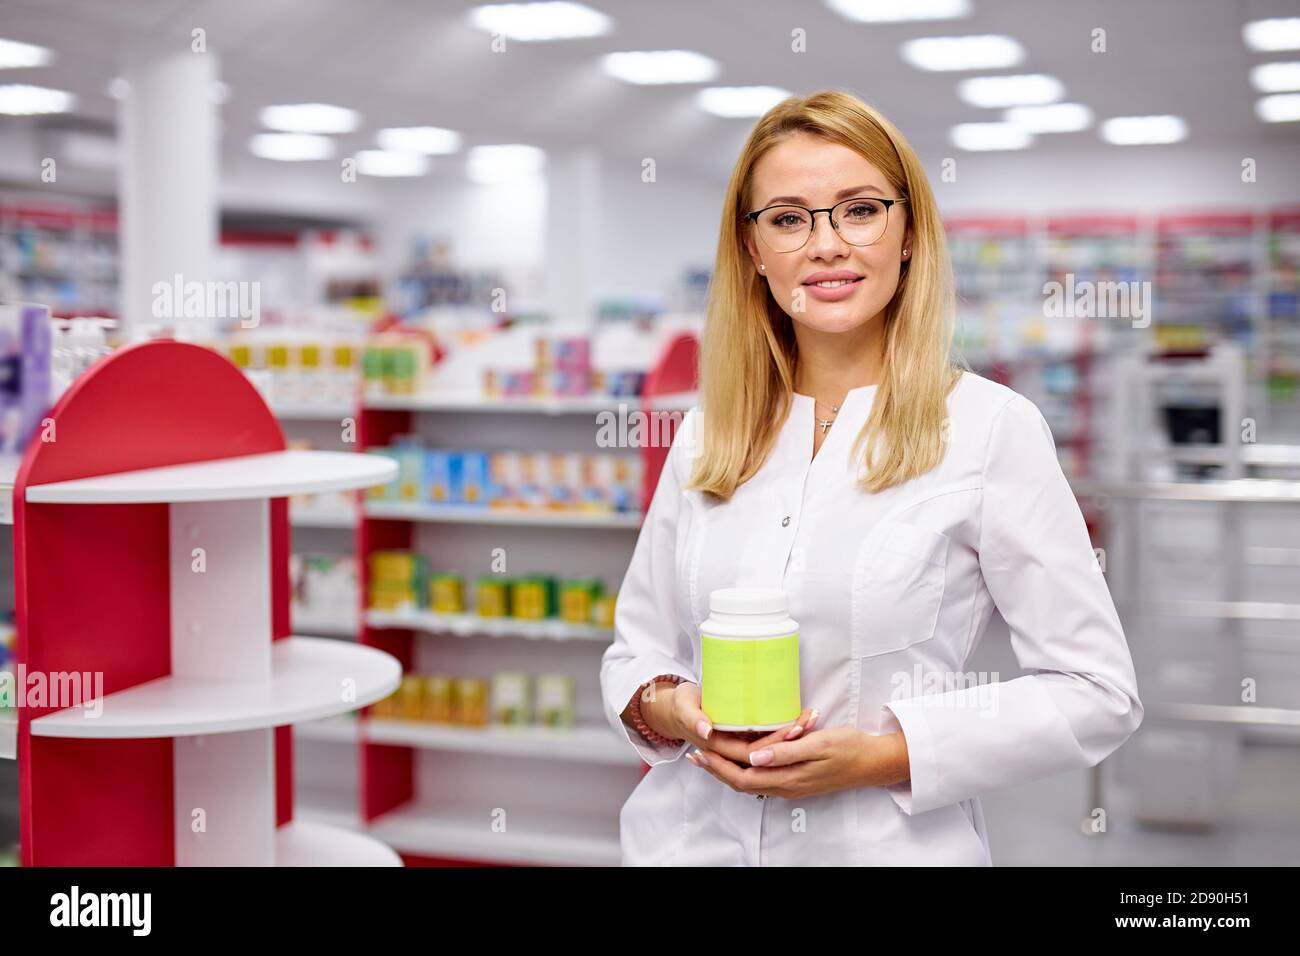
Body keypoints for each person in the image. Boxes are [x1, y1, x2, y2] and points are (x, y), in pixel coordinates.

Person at [599, 89, 1143, 866]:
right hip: (686, 844)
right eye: (788, 218)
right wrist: (677, 710)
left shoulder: (990, 429)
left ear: (909, 233)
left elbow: (1096, 693)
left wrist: (883, 757)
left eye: (859, 210)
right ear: (754, 251)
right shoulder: (708, 431)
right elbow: (635, 651)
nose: (826, 245)